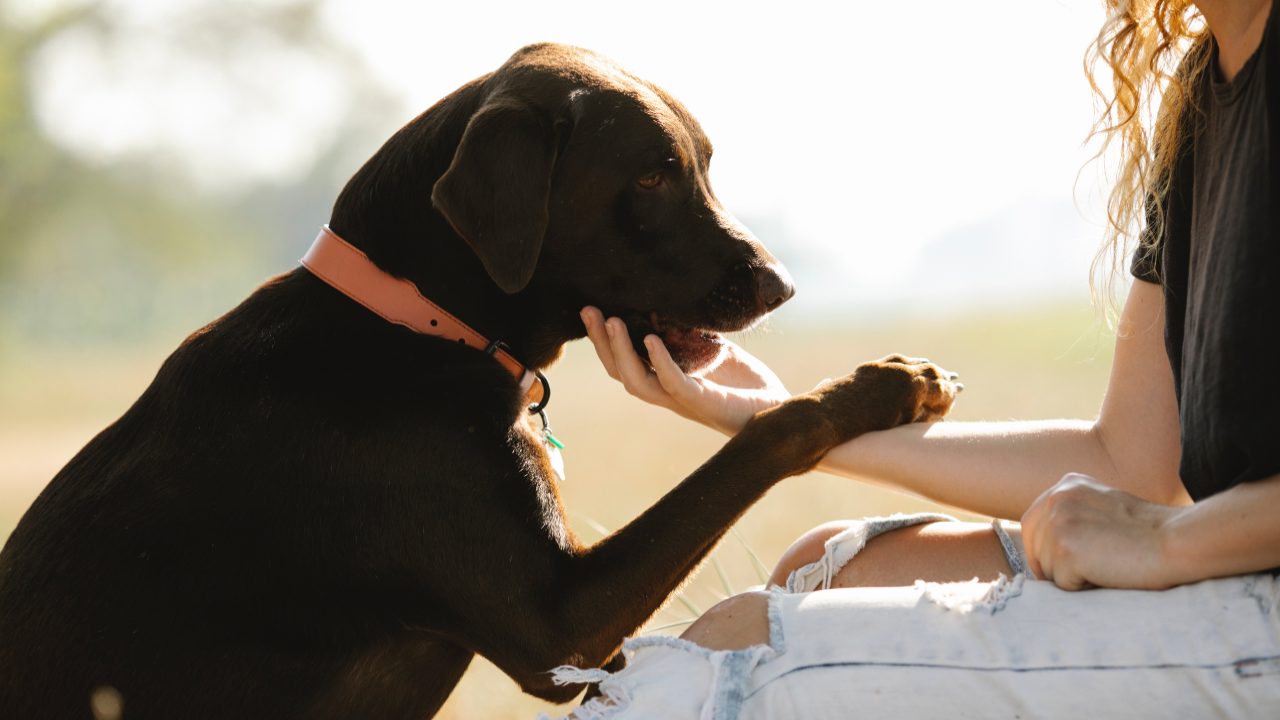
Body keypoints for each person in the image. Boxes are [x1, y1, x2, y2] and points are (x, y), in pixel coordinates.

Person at [555, 0, 1280, 716]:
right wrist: (783, 423)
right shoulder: (1200, 91)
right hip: (1227, 567)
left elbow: (1151, 515)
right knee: (825, 567)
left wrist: (1168, 541)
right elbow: (1130, 465)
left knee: (739, 657)